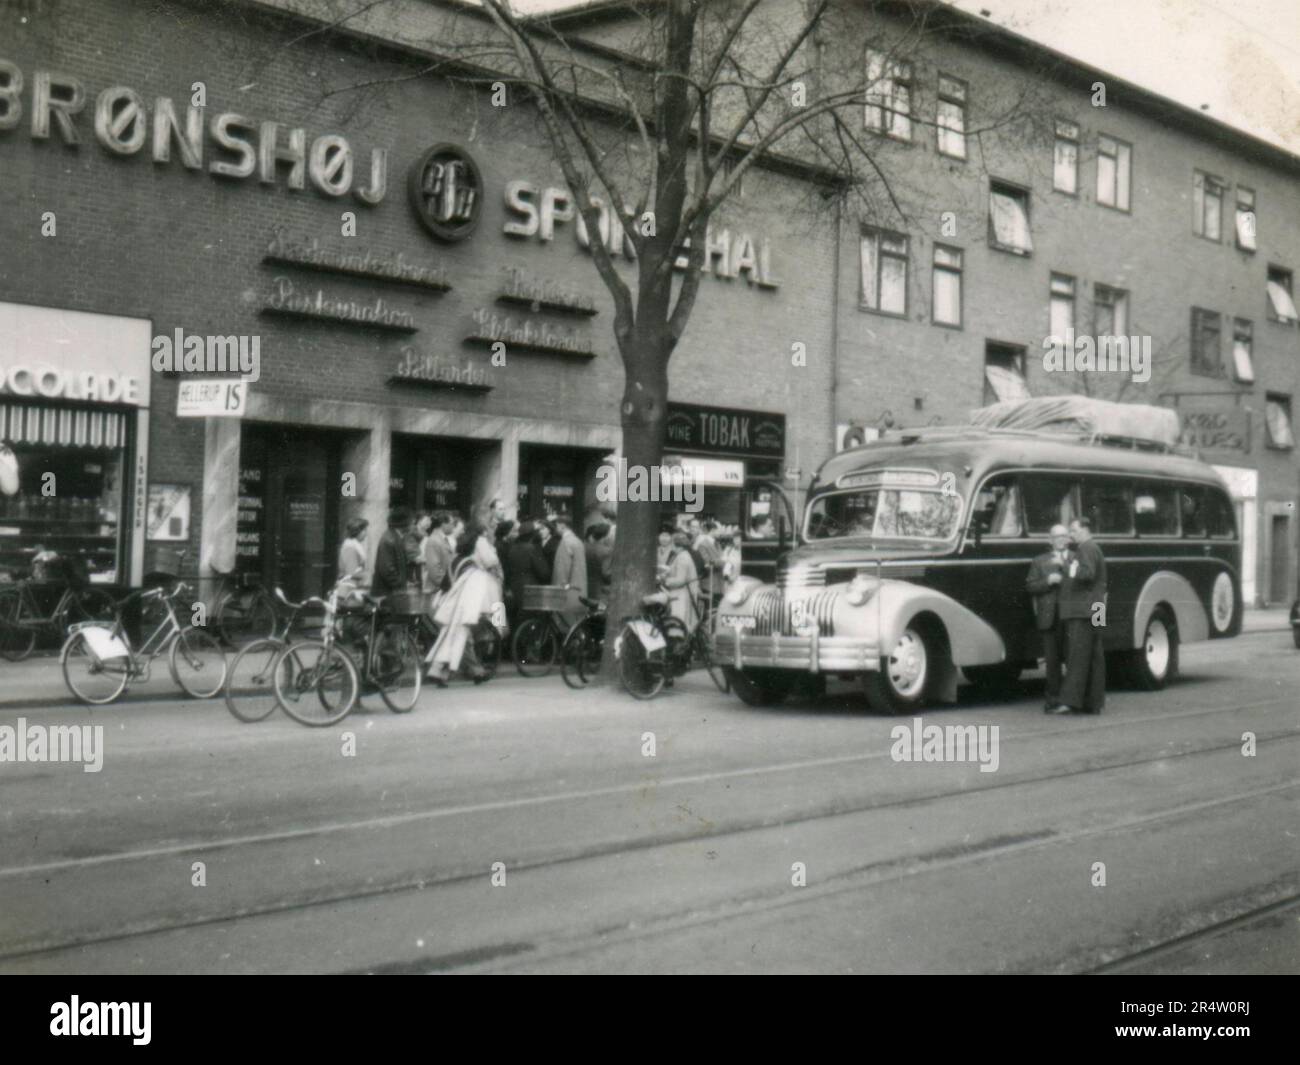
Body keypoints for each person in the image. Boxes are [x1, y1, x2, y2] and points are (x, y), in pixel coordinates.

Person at [425, 520, 500, 686]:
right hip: (462, 609)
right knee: (460, 639)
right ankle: (448, 670)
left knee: (454, 639)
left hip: (448, 606)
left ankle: (444, 673)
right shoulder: (471, 566)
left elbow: (445, 584)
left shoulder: (455, 561)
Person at [1050, 517, 1108, 715]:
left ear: (1085, 529)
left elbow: (1086, 574)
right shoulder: (1094, 548)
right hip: (1097, 608)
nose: (1071, 535)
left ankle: (1071, 701)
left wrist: (1064, 566)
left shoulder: (1086, 548)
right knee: (1095, 656)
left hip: (1083, 610)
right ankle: (1094, 702)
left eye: (1074, 530)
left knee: (1077, 656)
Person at [1026, 523, 1070, 712]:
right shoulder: (1039, 561)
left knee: (1073, 659)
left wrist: (1065, 569)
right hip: (1049, 617)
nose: (1060, 539)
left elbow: (1088, 583)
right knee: (1052, 662)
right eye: (1056, 536)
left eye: (1063, 536)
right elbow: (1030, 586)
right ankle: (1053, 701)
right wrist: (1047, 581)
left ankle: (1072, 699)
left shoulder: (1077, 558)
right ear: (1050, 540)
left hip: (1071, 617)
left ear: (1068, 539)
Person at [504, 520, 550, 631]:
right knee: (535, 620)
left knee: (519, 621)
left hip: (515, 588)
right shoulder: (531, 549)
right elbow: (543, 572)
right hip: (531, 589)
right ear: (532, 535)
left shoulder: (512, 548)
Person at [659, 529, 700, 631]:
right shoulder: (683, 555)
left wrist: (666, 581)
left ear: (676, 544)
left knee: (678, 622)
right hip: (683, 593)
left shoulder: (682, 558)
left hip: (681, 595)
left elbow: (680, 580)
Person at [371, 506, 411, 600]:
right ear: (403, 524)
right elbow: (387, 569)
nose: (411, 525)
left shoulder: (394, 537)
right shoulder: (389, 539)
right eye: (409, 523)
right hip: (387, 593)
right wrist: (399, 585)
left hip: (390, 592)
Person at [421, 511, 455, 613]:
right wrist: (448, 585)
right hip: (436, 591)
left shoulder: (442, 539)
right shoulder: (434, 540)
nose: (453, 526)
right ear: (443, 524)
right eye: (452, 523)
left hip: (442, 590)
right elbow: (434, 570)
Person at [551, 514, 588, 596]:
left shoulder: (565, 542)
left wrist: (559, 588)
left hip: (568, 593)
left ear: (562, 526)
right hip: (579, 590)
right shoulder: (577, 541)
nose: (556, 528)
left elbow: (562, 570)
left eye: (556, 525)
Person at [693, 519, 724, 601]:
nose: (721, 533)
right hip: (709, 584)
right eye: (720, 530)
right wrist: (725, 561)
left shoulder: (718, 544)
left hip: (719, 584)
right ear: (713, 530)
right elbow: (706, 564)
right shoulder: (702, 545)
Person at [337, 519, 369, 588]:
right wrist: (368, 575)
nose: (366, 534)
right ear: (357, 531)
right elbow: (351, 572)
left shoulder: (353, 545)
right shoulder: (350, 547)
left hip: (352, 585)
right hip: (349, 587)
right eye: (365, 530)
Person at [585, 522, 612, 597]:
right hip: (600, 590)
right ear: (605, 536)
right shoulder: (607, 551)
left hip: (585, 587)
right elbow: (606, 573)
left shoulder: (585, 547)